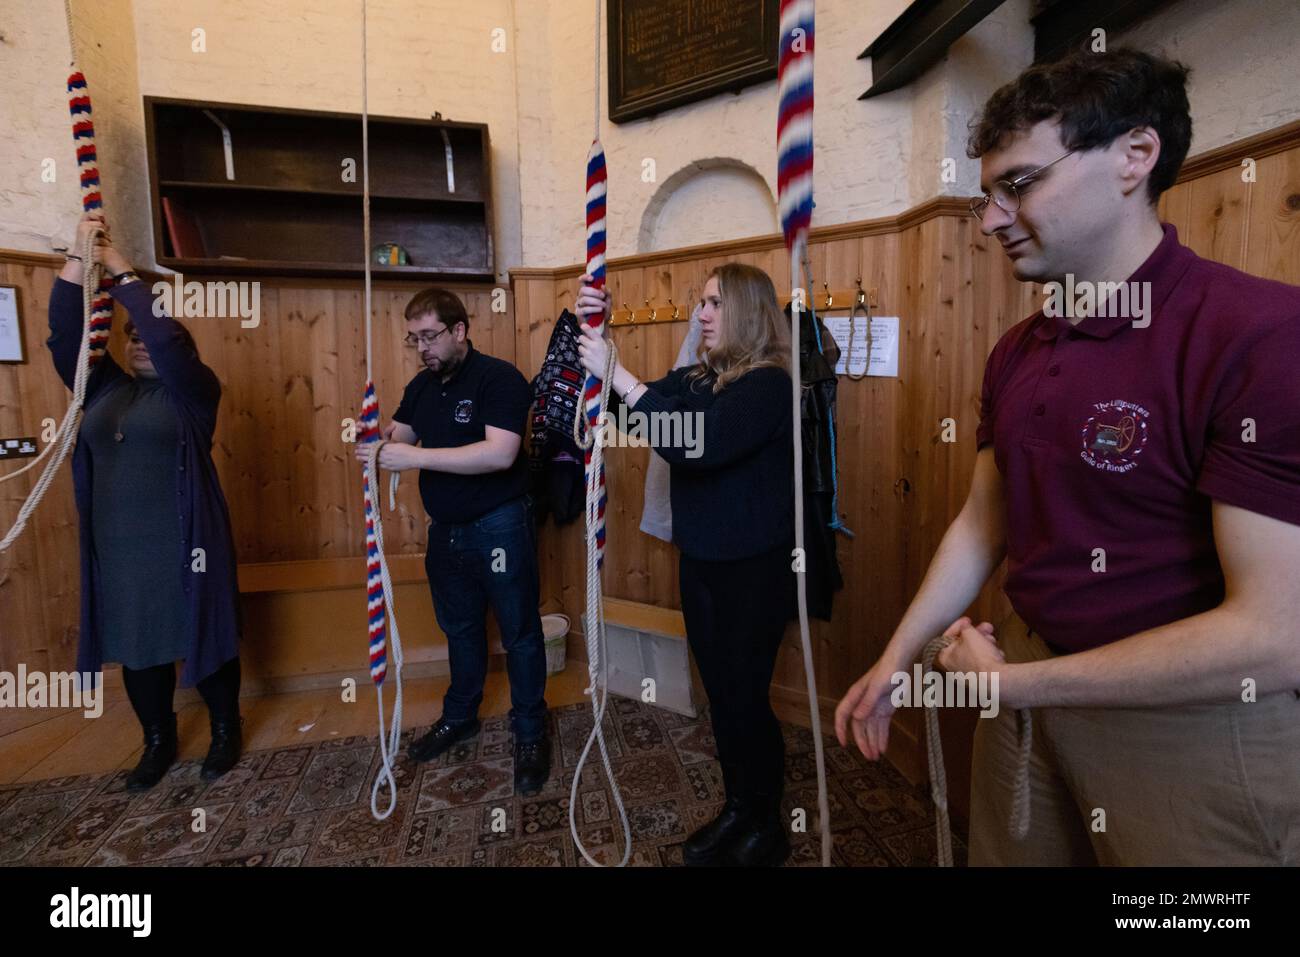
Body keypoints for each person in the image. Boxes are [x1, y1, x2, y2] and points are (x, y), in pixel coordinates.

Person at [835, 48, 1300, 865]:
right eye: (986, 195)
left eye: (1017, 184)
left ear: (1134, 156)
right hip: (1026, 686)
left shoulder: (1257, 332)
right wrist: (897, 653)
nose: (989, 220)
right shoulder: (1018, 348)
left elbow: (1275, 635)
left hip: (1185, 728)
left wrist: (1008, 685)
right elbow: (984, 524)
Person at [575, 263, 796, 866]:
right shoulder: (700, 378)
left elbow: (695, 444)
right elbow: (628, 412)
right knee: (721, 696)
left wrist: (618, 375)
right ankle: (737, 808)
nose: (701, 314)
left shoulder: (769, 385)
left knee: (746, 698)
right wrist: (593, 329)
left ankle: (765, 825)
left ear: (747, 312)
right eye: (702, 302)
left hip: (752, 573)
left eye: (714, 303)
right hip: (701, 564)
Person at [50, 210, 243, 790]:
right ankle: (157, 740)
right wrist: (77, 257)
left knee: (200, 633)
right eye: (128, 336)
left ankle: (226, 729)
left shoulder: (193, 391)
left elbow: (161, 333)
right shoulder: (105, 387)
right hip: (120, 548)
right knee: (138, 648)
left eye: (148, 337)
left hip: (187, 545)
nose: (138, 344)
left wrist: (122, 270)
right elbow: (65, 338)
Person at [356, 288, 550, 795]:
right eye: (414, 338)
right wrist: (376, 440)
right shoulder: (423, 386)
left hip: (500, 523)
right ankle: (460, 715)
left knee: (520, 632)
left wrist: (415, 458)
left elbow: (500, 453)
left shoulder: (499, 378)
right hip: (446, 531)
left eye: (430, 336)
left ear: (459, 330)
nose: (422, 347)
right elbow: (401, 436)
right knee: (460, 629)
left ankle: (530, 732)